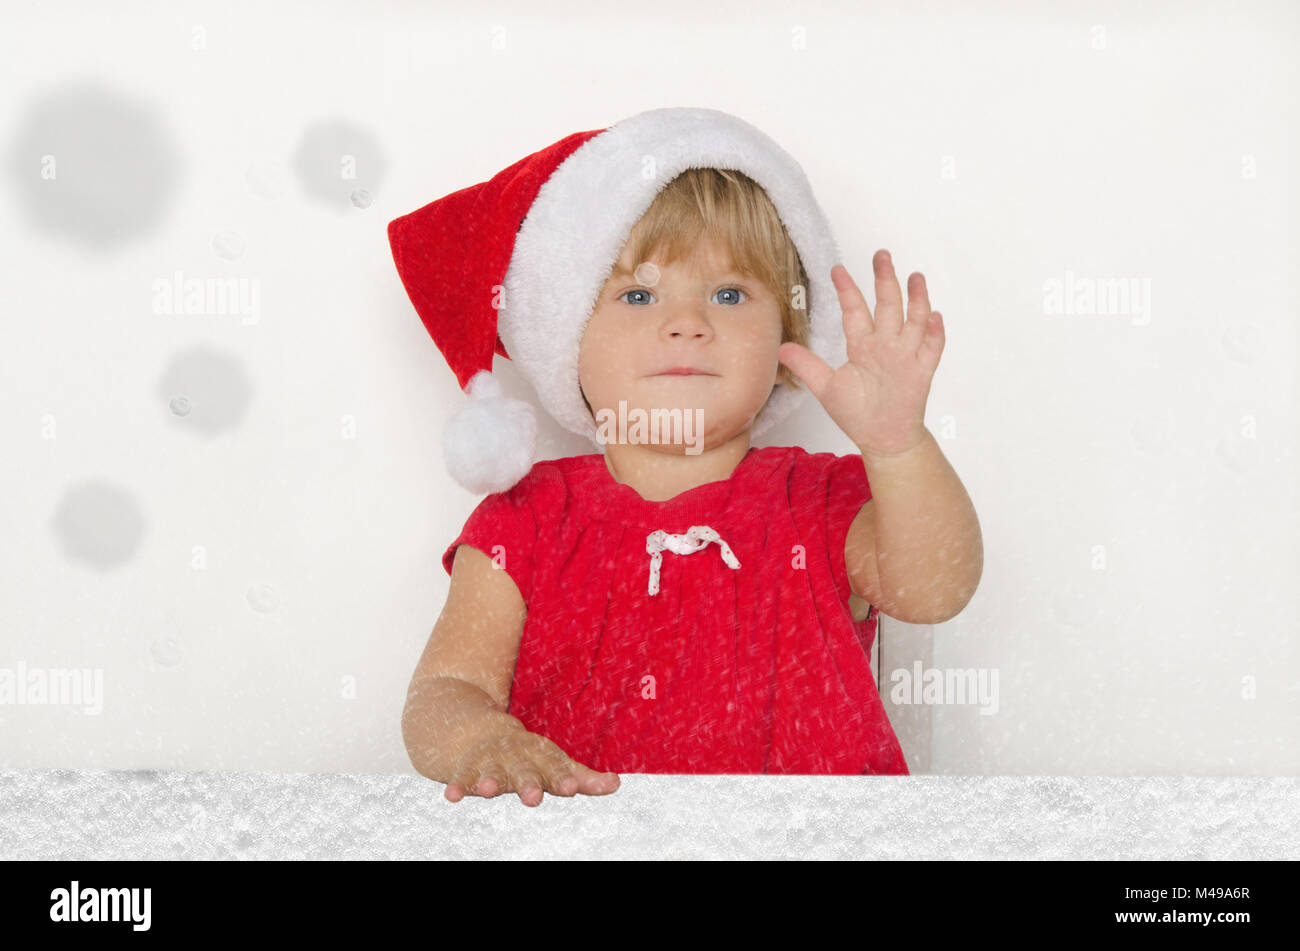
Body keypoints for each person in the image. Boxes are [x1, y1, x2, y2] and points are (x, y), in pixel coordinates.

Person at [389, 107, 982, 806]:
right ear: (565, 339)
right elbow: (443, 690)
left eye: (729, 294)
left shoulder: (818, 498)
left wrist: (899, 446)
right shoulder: (525, 521)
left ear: (786, 339)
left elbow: (936, 589)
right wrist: (479, 740)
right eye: (638, 294)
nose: (688, 322)